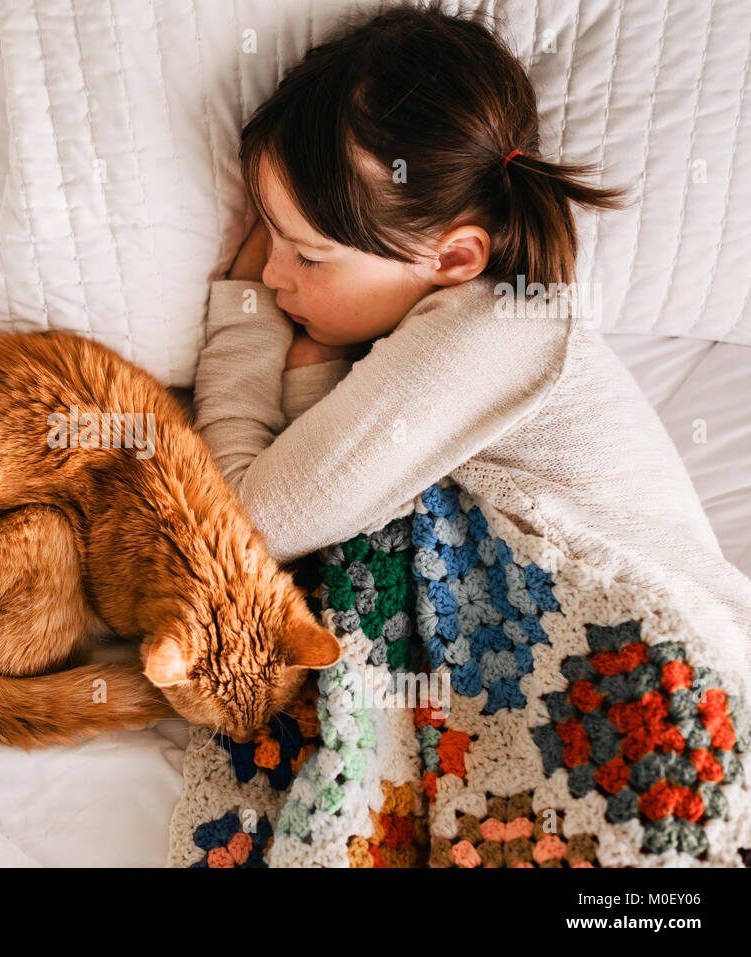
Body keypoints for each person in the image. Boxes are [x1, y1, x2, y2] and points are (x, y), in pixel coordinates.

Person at [192, 6, 751, 674]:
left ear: (454, 258)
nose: (272, 273)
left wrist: (246, 312)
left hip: (687, 657)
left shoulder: (492, 332)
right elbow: (328, 508)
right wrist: (319, 364)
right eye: (268, 237)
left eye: (307, 255)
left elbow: (243, 527)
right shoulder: (462, 328)